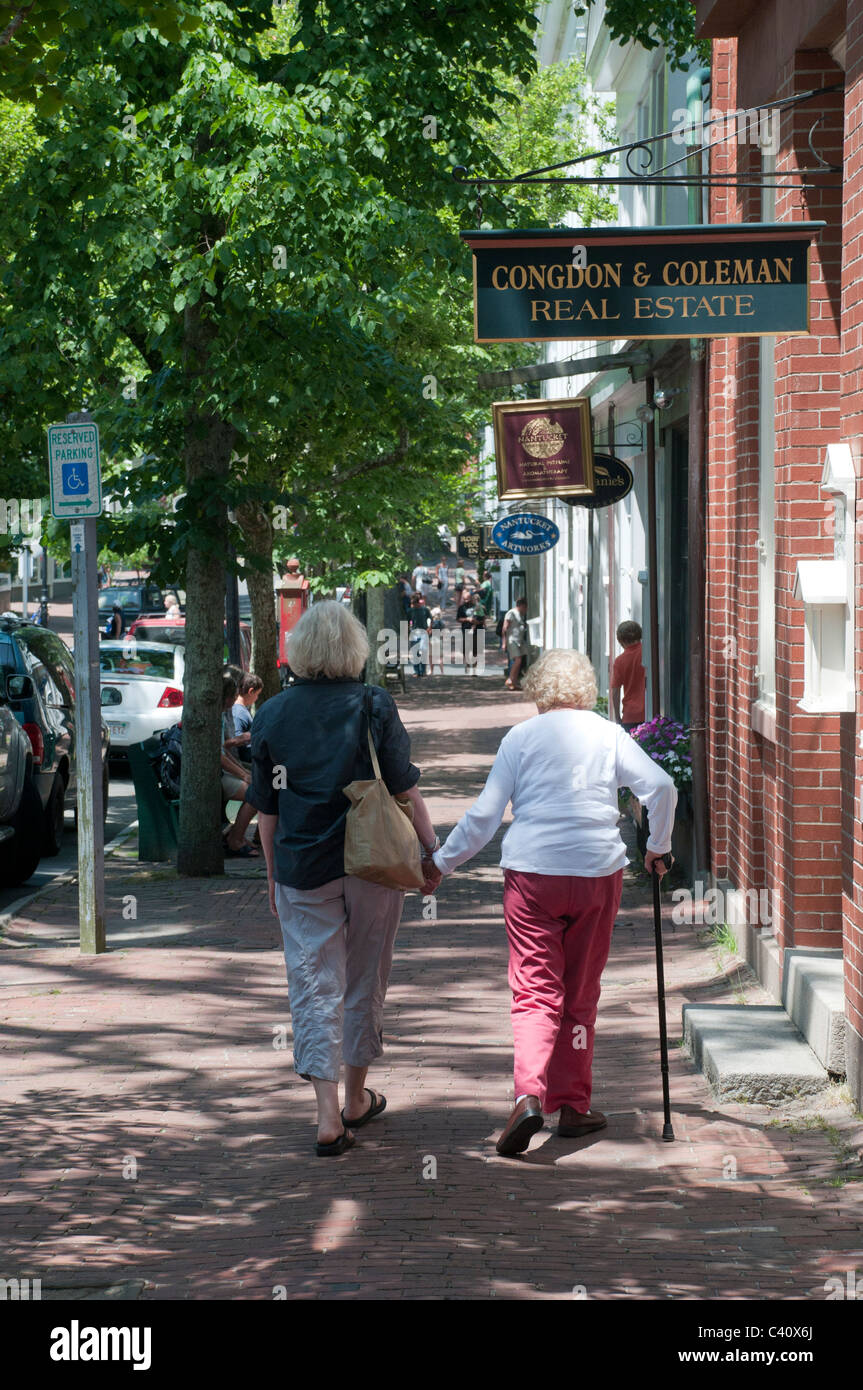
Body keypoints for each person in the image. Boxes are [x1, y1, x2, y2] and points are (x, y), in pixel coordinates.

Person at [423, 649, 676, 1156]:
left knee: (535, 991)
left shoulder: (521, 738)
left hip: (533, 875)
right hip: (596, 872)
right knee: (580, 994)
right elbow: (662, 786)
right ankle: (574, 1106)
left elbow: (485, 815)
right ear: (585, 689)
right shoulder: (608, 734)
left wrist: (441, 864)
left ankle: (528, 1096)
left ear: (539, 690)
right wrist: (658, 847)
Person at [247, 601, 440, 1156]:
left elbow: (268, 810)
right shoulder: (373, 705)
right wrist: (431, 852)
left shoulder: (274, 714)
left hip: (304, 867)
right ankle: (357, 1097)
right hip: (374, 862)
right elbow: (404, 788)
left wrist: (272, 876)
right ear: (353, 649)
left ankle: (328, 1116)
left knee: (313, 984)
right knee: (364, 978)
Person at [221, 673, 259, 857]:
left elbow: (224, 752)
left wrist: (243, 771)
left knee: (259, 787)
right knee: (256, 794)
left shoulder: (221, 716)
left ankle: (236, 833)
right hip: (217, 775)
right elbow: (218, 755)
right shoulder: (218, 718)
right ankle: (235, 840)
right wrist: (243, 775)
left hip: (223, 771)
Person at [611, 620, 646, 732]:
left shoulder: (620, 661)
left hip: (630, 715)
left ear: (620, 641)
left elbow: (615, 690)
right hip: (650, 711)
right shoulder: (648, 653)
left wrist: (617, 717)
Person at [231, 672, 263, 764]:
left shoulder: (241, 710)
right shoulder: (239, 713)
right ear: (251, 691)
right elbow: (238, 743)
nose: (257, 698)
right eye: (257, 694)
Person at [502, 595, 529, 691]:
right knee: (518, 660)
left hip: (519, 641)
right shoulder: (511, 613)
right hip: (512, 640)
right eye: (525, 607)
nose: (526, 610)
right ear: (521, 606)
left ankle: (513, 682)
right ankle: (510, 679)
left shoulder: (520, 614)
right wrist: (504, 642)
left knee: (520, 660)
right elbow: (505, 628)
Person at [456, 588, 482, 674]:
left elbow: (482, 618)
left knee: (475, 650)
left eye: (468, 598)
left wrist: (477, 621)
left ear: (471, 598)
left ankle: (474, 669)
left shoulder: (476, 606)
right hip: (465, 630)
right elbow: (458, 619)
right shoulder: (461, 608)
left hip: (476, 631)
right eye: (465, 599)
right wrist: (467, 619)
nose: (466, 600)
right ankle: (467, 664)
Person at [409, 592, 432, 677]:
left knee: (423, 651)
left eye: (413, 603)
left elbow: (430, 619)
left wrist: (430, 628)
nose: (412, 605)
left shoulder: (425, 610)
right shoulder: (410, 611)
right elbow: (407, 621)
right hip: (414, 632)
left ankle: (423, 671)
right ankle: (416, 671)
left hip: (423, 632)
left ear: (417, 603)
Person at [429, 606, 445, 675]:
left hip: (432, 639)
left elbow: (430, 631)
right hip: (439, 639)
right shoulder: (441, 622)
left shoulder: (432, 622)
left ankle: (431, 671)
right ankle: (442, 671)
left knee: (431, 656)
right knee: (440, 657)